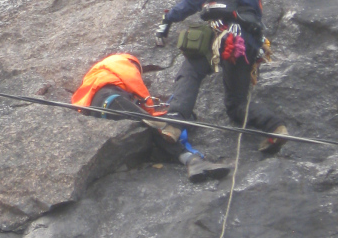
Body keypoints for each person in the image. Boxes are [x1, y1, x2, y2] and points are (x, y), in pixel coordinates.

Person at [155, 0, 288, 152]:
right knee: (236, 106)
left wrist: (169, 17)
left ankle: (174, 123)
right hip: (248, 39)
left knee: (192, 68)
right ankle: (275, 127)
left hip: (224, 32)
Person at [72, 52, 232, 182]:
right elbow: (134, 82)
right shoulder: (119, 62)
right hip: (111, 100)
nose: (138, 73)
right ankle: (192, 159)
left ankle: (190, 159)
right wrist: (154, 112)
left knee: (149, 129)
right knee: (155, 125)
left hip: (98, 110)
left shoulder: (94, 78)